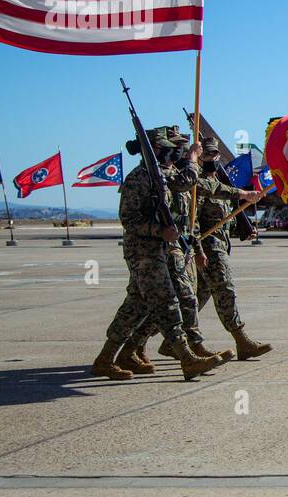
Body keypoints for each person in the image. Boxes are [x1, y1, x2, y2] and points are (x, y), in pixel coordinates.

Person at [93, 126, 223, 382]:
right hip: (144, 252)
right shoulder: (139, 178)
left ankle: (110, 358)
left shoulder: (166, 174)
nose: (176, 152)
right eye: (170, 148)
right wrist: (158, 231)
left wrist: (195, 161)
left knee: (140, 306)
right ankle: (187, 358)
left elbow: (185, 183)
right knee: (166, 303)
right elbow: (128, 219)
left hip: (167, 250)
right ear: (157, 150)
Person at [192, 137, 272, 359]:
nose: (212, 159)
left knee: (196, 296)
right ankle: (241, 340)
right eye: (207, 155)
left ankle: (167, 341)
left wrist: (242, 229)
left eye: (215, 155)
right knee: (225, 290)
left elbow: (224, 217)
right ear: (199, 157)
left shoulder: (219, 182)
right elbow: (193, 223)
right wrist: (197, 249)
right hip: (207, 247)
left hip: (219, 244)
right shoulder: (197, 183)